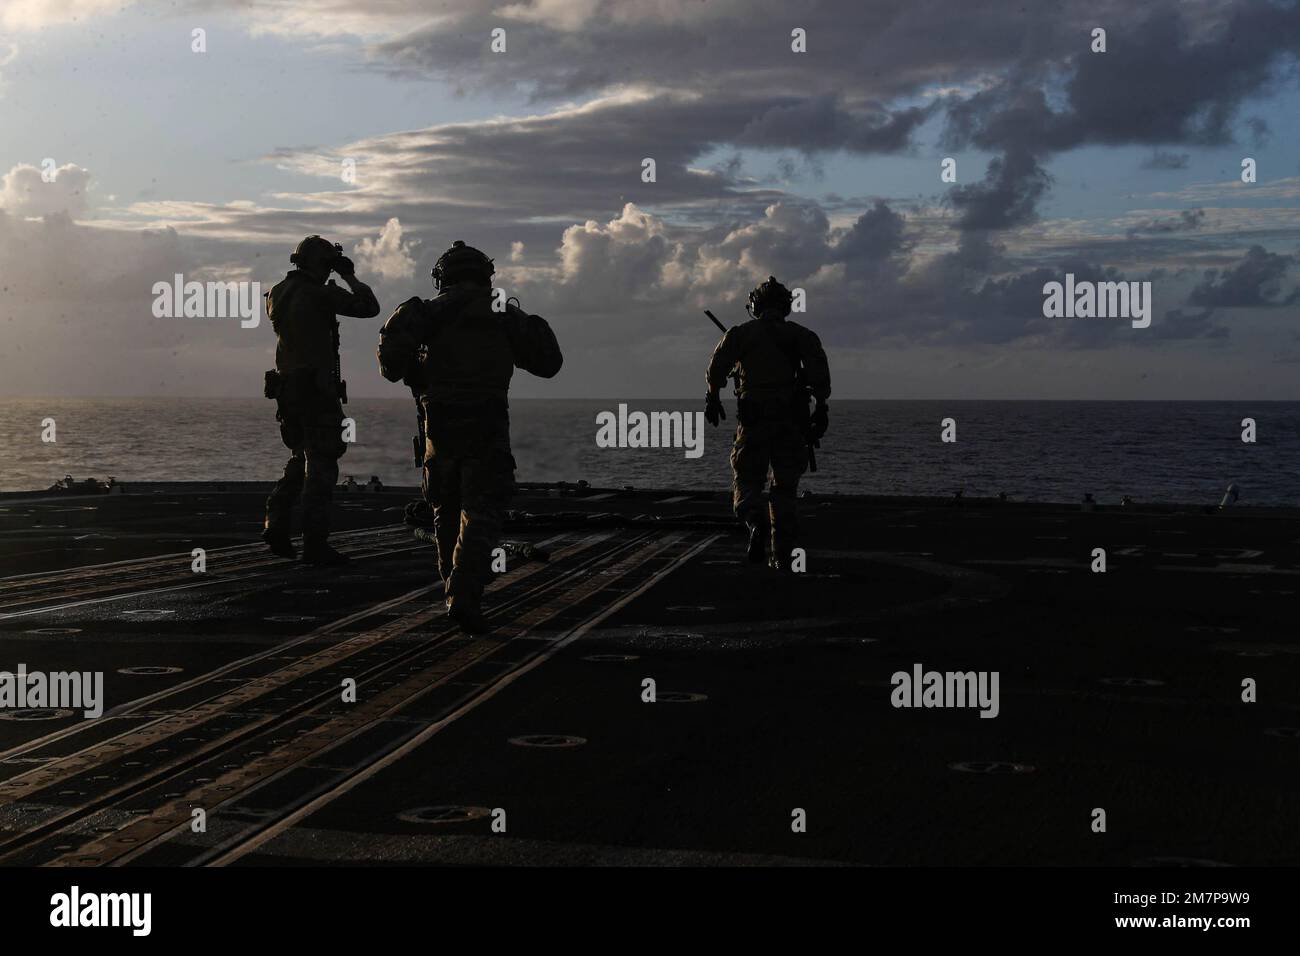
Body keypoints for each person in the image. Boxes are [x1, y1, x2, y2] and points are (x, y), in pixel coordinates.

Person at [377, 240, 562, 631]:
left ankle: (454, 588)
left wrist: (418, 366)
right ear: (484, 275)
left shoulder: (425, 311)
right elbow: (549, 363)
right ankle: (464, 591)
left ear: (442, 277)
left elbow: (390, 365)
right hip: (487, 422)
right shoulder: (500, 313)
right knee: (482, 510)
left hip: (438, 425)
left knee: (446, 509)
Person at [262, 235, 380, 564]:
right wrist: (349, 275)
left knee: (302, 457)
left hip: (288, 390)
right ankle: (314, 543)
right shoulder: (320, 293)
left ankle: (276, 519)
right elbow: (369, 307)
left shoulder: (277, 293)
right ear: (319, 263)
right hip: (315, 391)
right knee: (323, 463)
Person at [704, 276, 831, 569]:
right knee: (784, 489)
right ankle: (782, 556)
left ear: (755, 305)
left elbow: (716, 369)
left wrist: (712, 398)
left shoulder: (740, 334)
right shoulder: (801, 336)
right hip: (791, 421)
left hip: (753, 421)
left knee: (746, 480)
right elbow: (819, 377)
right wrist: (821, 408)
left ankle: (753, 521)